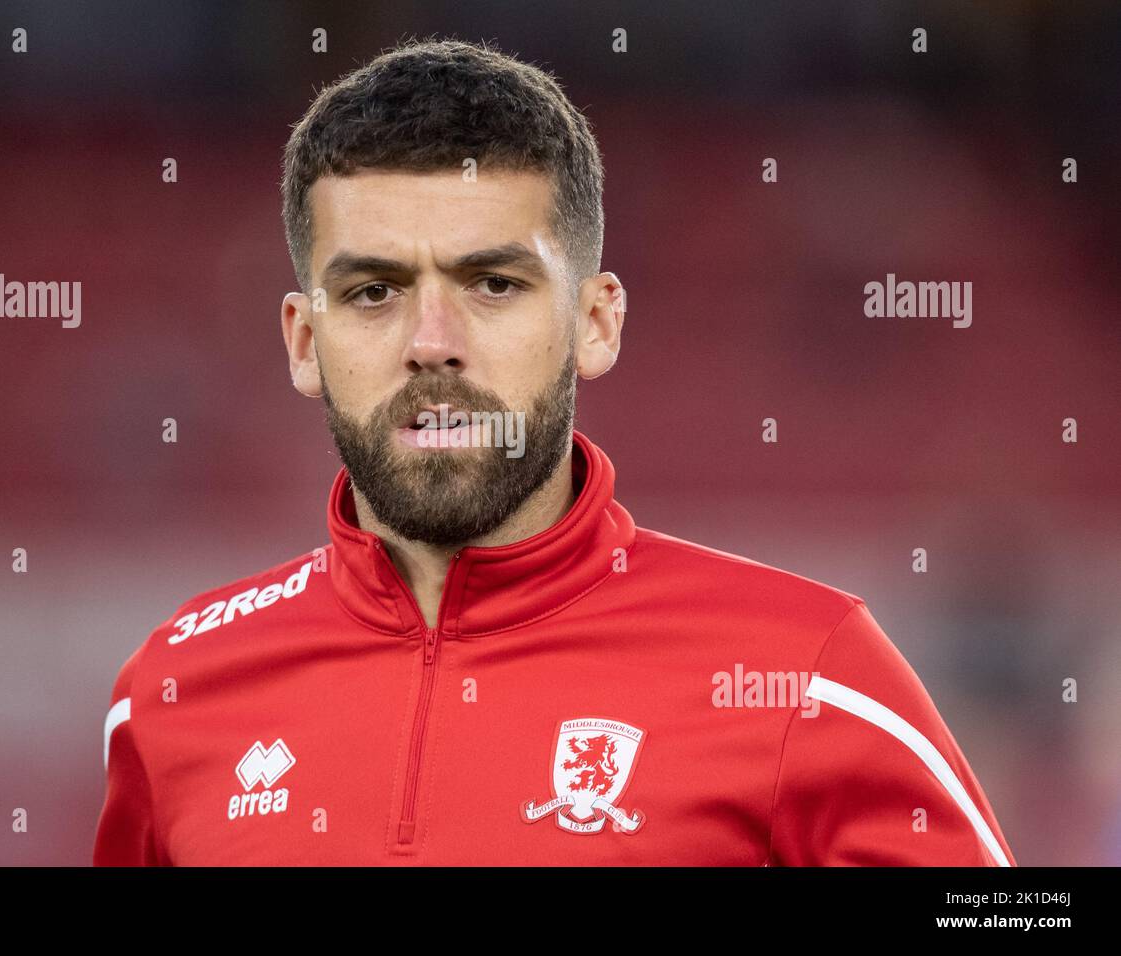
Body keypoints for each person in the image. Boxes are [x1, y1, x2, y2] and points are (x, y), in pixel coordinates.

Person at [94, 38, 1015, 866]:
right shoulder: (175, 690)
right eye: (374, 292)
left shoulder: (809, 673)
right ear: (302, 341)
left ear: (596, 322)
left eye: (493, 283)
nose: (430, 341)